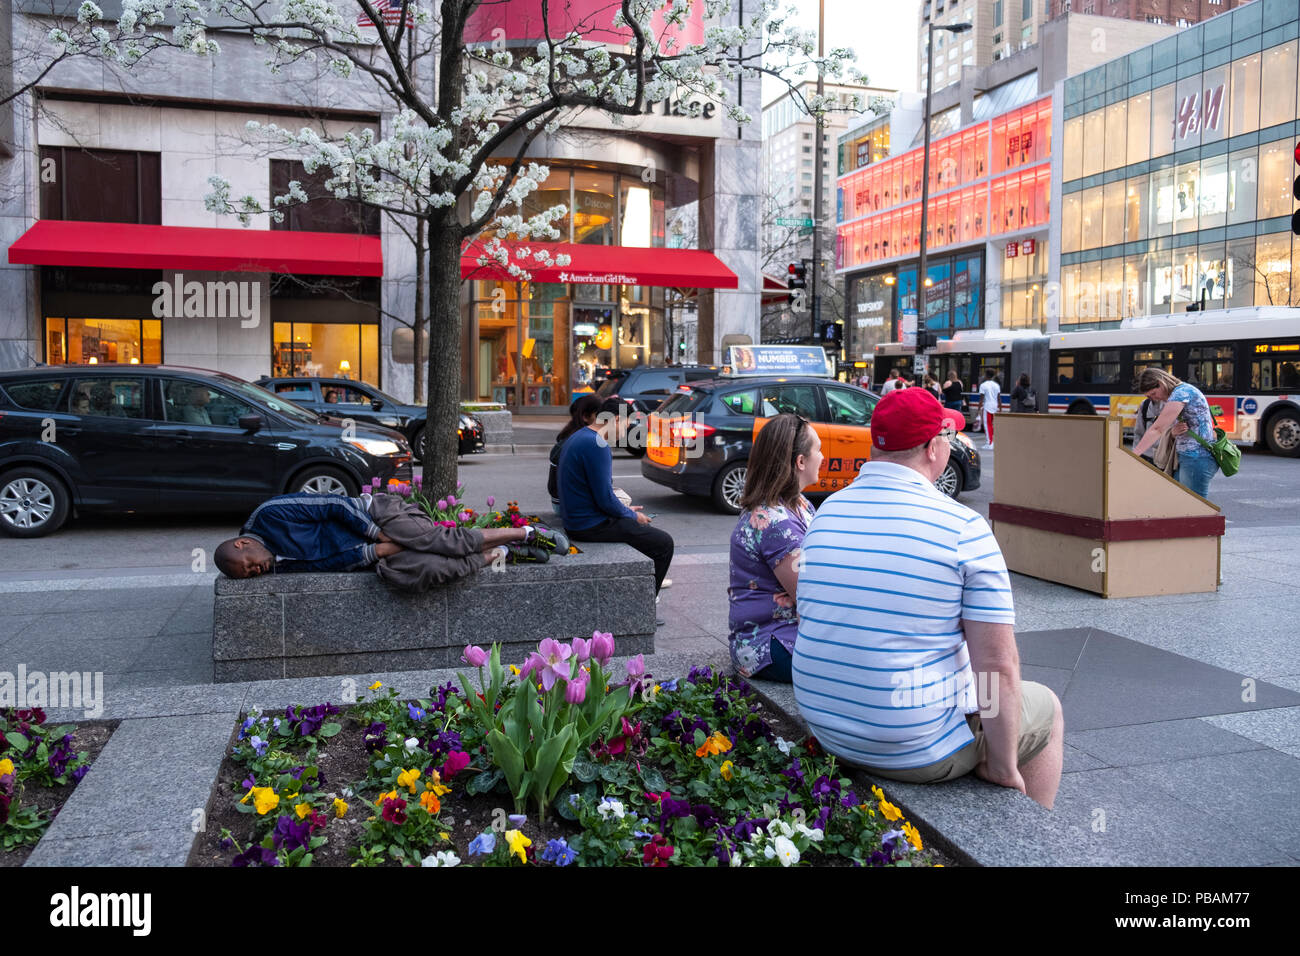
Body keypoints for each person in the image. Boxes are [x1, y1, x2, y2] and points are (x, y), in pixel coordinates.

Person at [792, 388, 1065, 809]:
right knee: (1046, 706)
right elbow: (996, 666)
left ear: (875, 444)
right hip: (909, 747)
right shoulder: (963, 528)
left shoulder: (825, 511)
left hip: (826, 727)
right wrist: (1003, 764)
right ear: (935, 448)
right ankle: (1027, 837)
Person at [214, 492, 554, 590]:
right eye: (250, 576)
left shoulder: (269, 514)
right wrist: (375, 551)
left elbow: (334, 506)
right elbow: (326, 564)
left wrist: (377, 535)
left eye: (249, 566)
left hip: (375, 516)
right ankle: (503, 553)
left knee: (440, 541)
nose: (257, 570)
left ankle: (527, 533)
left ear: (242, 544)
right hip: (372, 551)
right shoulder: (276, 566)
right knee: (426, 569)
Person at [728, 413, 822, 682]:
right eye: (819, 450)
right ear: (800, 461)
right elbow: (810, 594)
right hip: (769, 645)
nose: (823, 457)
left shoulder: (799, 504)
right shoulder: (775, 523)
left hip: (787, 633)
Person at [557, 393, 675, 600]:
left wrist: (625, 511)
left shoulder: (580, 436)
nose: (623, 434)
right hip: (588, 525)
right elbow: (605, 500)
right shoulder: (597, 445)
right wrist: (632, 516)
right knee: (663, 543)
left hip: (577, 519)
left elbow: (600, 494)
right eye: (625, 426)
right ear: (617, 419)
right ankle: (645, 605)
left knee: (642, 532)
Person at [1130, 367, 1217, 498]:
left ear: (1161, 383)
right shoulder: (1181, 392)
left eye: (1153, 393)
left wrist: (1134, 455)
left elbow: (1157, 429)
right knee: (1179, 503)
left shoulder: (1181, 393)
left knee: (1193, 508)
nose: (1156, 398)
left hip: (1196, 457)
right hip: (1189, 456)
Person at [1132, 394, 1163, 464]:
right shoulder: (1145, 404)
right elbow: (1138, 432)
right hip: (1147, 456)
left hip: (1166, 459)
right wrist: (1135, 454)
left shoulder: (1174, 405)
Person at [978, 369, 1001, 447]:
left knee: (987, 425)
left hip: (987, 406)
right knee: (993, 425)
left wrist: (979, 409)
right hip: (995, 406)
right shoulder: (996, 385)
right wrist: (1000, 409)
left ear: (986, 375)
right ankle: (993, 442)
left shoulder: (983, 385)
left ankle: (989, 443)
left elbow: (981, 398)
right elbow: (999, 398)